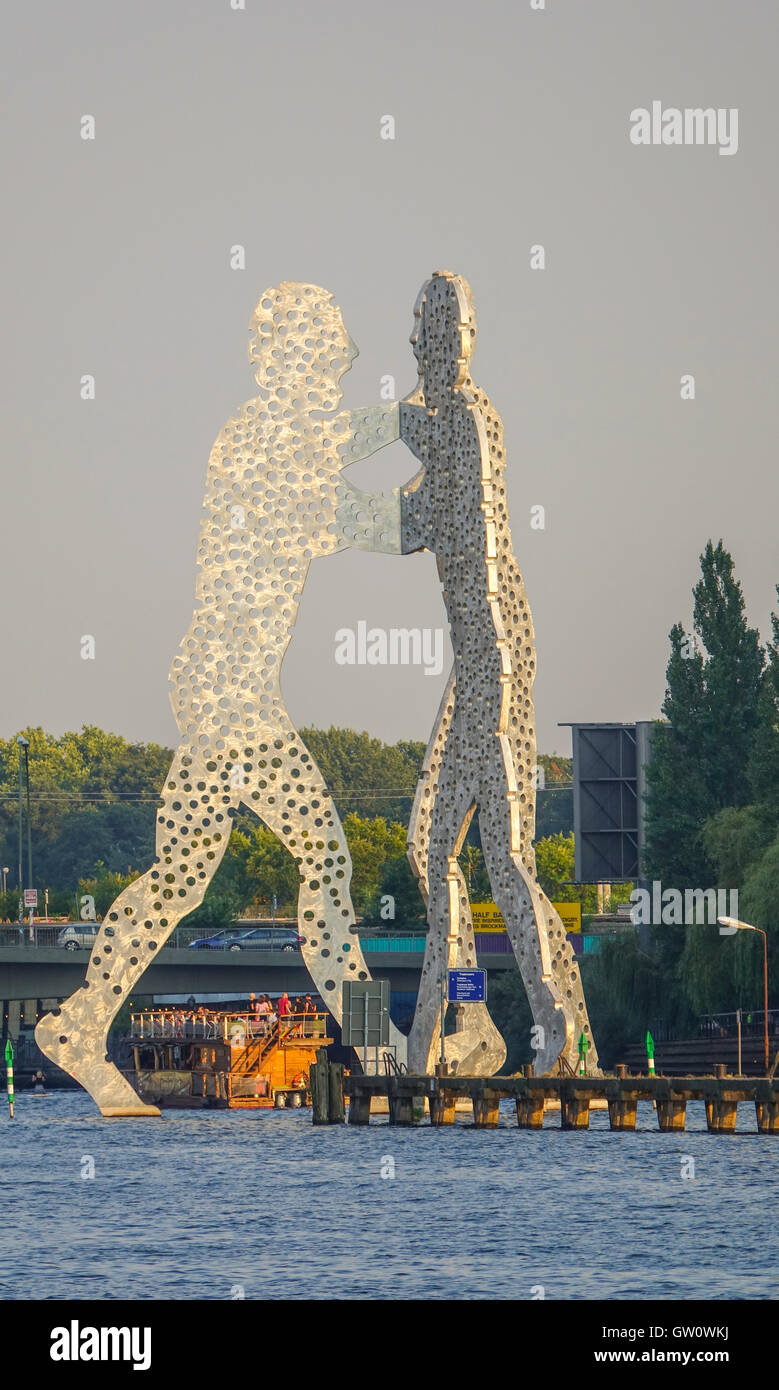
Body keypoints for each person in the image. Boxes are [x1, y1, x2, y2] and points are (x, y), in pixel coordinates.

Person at [35, 282, 407, 1116]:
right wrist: (430, 442)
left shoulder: (269, 437)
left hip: (219, 683)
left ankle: (81, 1022)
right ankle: (380, 1050)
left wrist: (410, 422)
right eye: (332, 352)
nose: (343, 365)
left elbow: (337, 456)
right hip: (232, 693)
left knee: (183, 876)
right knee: (325, 862)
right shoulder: (258, 442)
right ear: (294, 359)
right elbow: (360, 517)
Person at [400, 271, 599, 1077]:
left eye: (426, 331)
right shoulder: (439, 427)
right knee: (428, 846)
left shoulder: (470, 423)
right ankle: (475, 1020)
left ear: (454, 338)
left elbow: (474, 545)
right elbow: (399, 520)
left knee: (505, 855)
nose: (415, 345)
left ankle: (564, 1034)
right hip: (472, 668)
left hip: (496, 659)